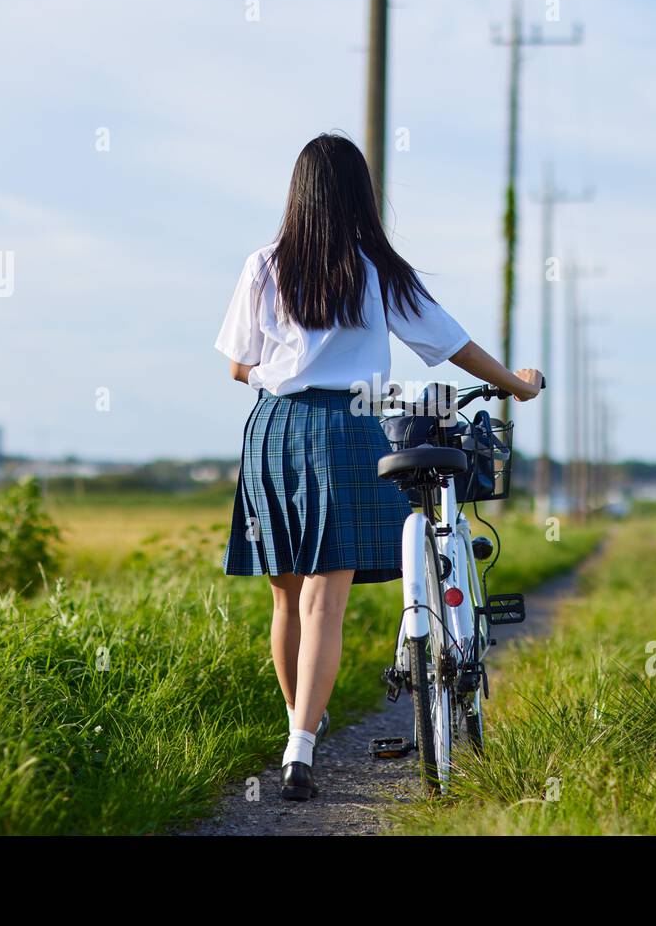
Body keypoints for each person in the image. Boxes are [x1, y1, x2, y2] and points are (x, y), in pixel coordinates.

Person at [214, 133, 542, 800]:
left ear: (297, 192)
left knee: (285, 594)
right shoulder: (378, 269)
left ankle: (298, 726)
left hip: (273, 432)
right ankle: (300, 747)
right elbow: (453, 345)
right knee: (324, 598)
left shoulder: (262, 265)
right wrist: (517, 382)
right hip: (350, 429)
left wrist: (275, 370)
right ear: (361, 194)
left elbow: (236, 366)